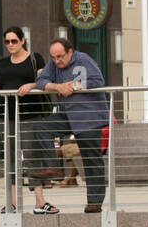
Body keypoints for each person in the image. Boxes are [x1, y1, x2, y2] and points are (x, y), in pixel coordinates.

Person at [0, 27, 61, 215]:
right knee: (10, 159)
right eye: (7, 41)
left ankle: (39, 200)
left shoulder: (35, 59)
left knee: (32, 157)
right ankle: (11, 202)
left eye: (14, 41)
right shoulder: (1, 63)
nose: (10, 45)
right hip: (6, 116)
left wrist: (31, 85)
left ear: (22, 41)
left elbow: (44, 80)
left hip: (31, 114)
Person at [34, 38, 110, 213]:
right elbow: (41, 81)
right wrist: (57, 86)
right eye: (53, 57)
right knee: (42, 127)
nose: (57, 60)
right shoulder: (54, 65)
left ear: (70, 52)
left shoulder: (83, 59)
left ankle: (95, 201)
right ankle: (53, 166)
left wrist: (73, 86)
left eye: (60, 56)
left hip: (88, 117)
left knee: (92, 159)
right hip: (67, 115)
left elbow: (97, 80)